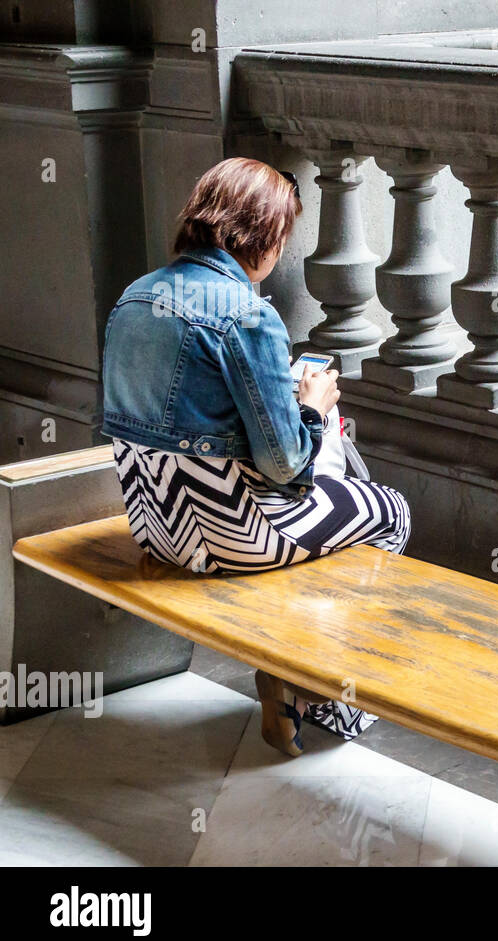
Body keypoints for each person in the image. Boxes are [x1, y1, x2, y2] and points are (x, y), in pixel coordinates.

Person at [100, 157, 411, 757]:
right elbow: (288, 466)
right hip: (230, 536)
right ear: (261, 235)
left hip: (156, 526)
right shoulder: (246, 313)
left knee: (329, 511)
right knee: (388, 512)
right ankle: (315, 687)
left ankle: (287, 668)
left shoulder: (134, 298)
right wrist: (314, 407)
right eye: (283, 237)